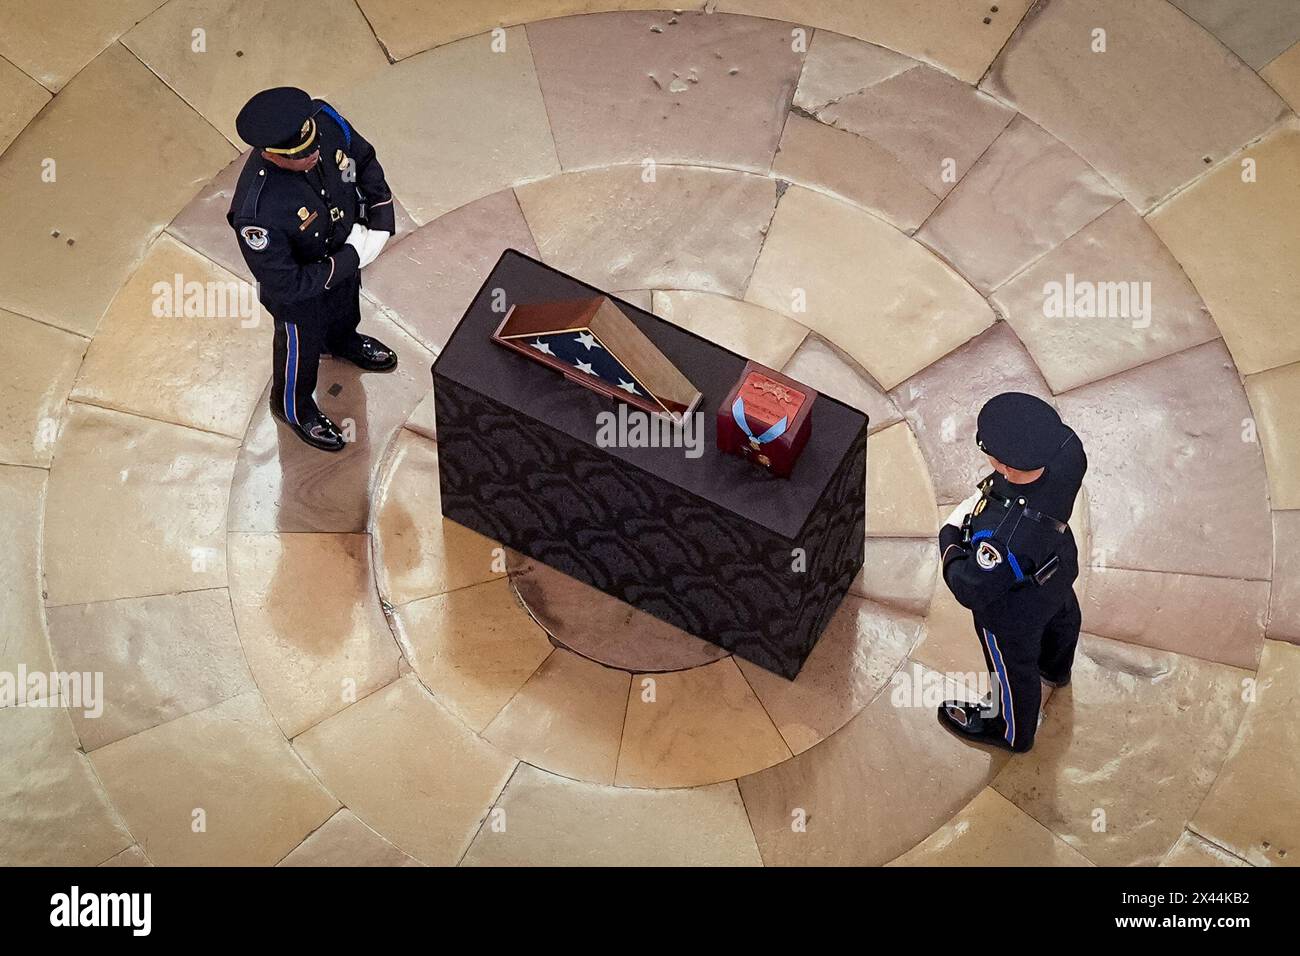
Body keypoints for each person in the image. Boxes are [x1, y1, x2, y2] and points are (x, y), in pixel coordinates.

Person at [227, 86, 398, 452]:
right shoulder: (256, 211)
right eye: (301, 157)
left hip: (338, 247)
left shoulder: (325, 119)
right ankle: (293, 406)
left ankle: (341, 341)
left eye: (314, 145)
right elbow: (288, 285)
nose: (314, 156)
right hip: (299, 291)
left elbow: (362, 159)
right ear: (271, 155)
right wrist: (352, 255)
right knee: (300, 346)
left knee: (345, 307)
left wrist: (380, 212)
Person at [936, 392, 1087, 753]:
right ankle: (1055, 670)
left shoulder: (999, 536)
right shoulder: (1068, 452)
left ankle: (1010, 730)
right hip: (1058, 568)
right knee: (1062, 618)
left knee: (1012, 668)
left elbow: (970, 587)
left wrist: (950, 537)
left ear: (1003, 465)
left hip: (1012, 611)